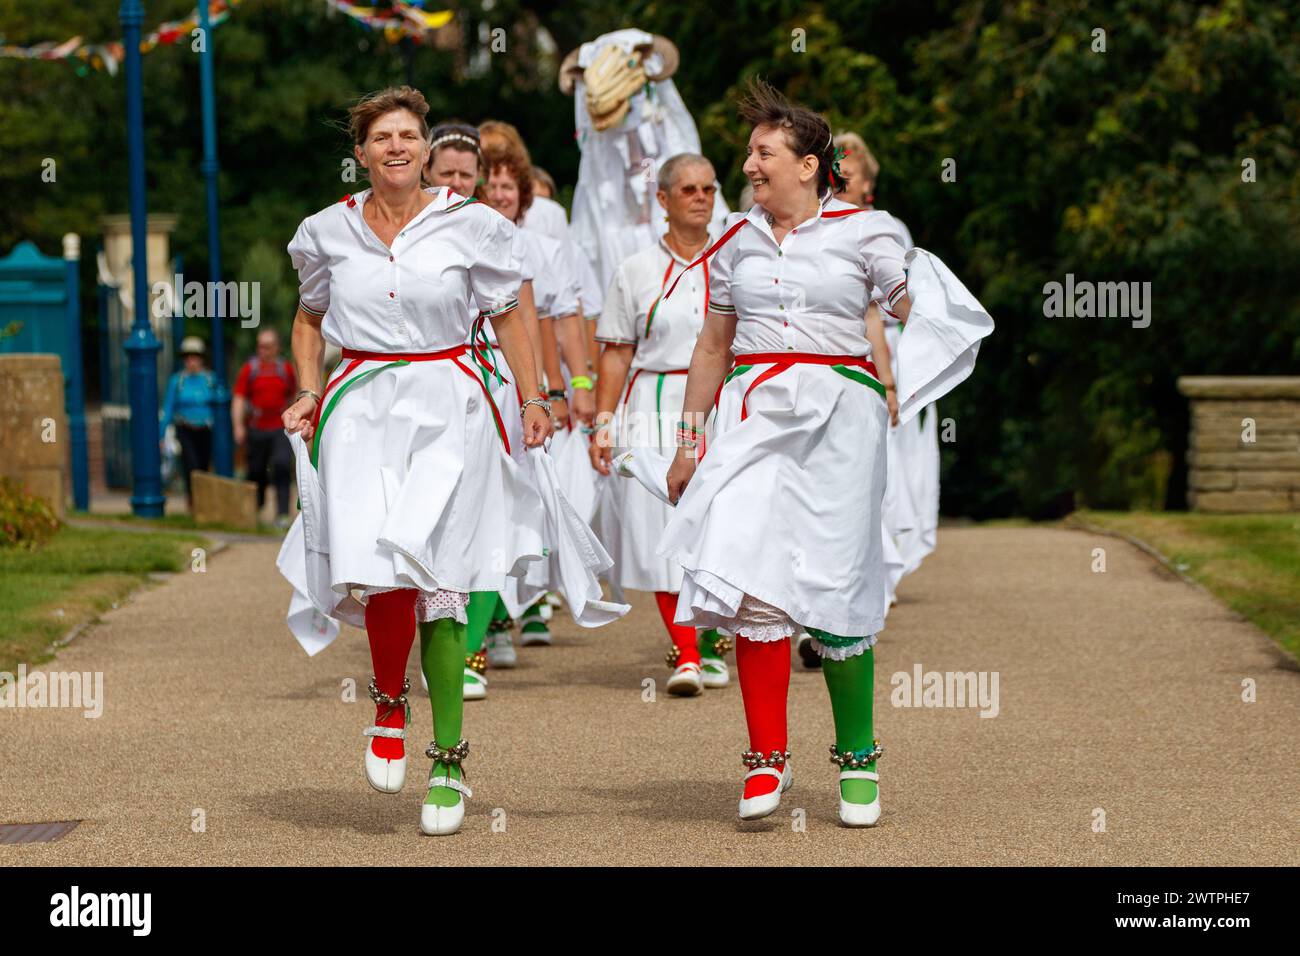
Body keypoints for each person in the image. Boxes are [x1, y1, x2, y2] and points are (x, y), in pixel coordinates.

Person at [656, 79, 991, 827]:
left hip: (841, 413)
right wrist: (687, 443)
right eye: (748, 152)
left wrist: (938, 314)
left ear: (809, 165)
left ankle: (858, 757)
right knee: (749, 578)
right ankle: (765, 757)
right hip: (753, 411)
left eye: (764, 151)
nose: (749, 164)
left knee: (839, 583)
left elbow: (907, 310)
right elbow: (711, 345)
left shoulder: (866, 233)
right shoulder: (732, 242)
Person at [277, 87, 603, 837]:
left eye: (408, 135)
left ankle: (449, 758)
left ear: (426, 148)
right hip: (360, 406)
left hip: (449, 399)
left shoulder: (473, 226)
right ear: (360, 152)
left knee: (438, 574)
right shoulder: (325, 231)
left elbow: (511, 312)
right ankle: (389, 701)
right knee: (375, 564)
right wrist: (307, 388)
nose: (396, 147)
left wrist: (532, 396)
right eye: (381, 137)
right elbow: (308, 317)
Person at [589, 153, 731, 696]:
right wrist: (603, 424)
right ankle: (687, 652)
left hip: (719, 401)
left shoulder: (734, 259)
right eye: (689, 189)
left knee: (718, 522)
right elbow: (616, 352)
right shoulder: (635, 270)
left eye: (709, 188)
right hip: (651, 399)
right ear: (664, 199)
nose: (700, 197)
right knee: (658, 524)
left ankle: (716, 641)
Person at [233, 328, 297, 528]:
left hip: (280, 428)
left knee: (282, 466)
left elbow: (295, 396)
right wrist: (238, 426)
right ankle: (257, 510)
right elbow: (239, 398)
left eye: (268, 346)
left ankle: (283, 515)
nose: (263, 351)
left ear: (276, 348)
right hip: (256, 428)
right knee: (256, 471)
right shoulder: (250, 369)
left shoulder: (285, 369)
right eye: (260, 346)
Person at [160, 335, 217, 505]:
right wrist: (161, 434)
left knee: (204, 465)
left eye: (195, 357)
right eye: (187, 357)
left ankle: (204, 501)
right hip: (185, 428)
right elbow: (169, 407)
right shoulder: (178, 381)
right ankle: (193, 501)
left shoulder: (210, 379)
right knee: (191, 465)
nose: (191, 361)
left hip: (206, 429)